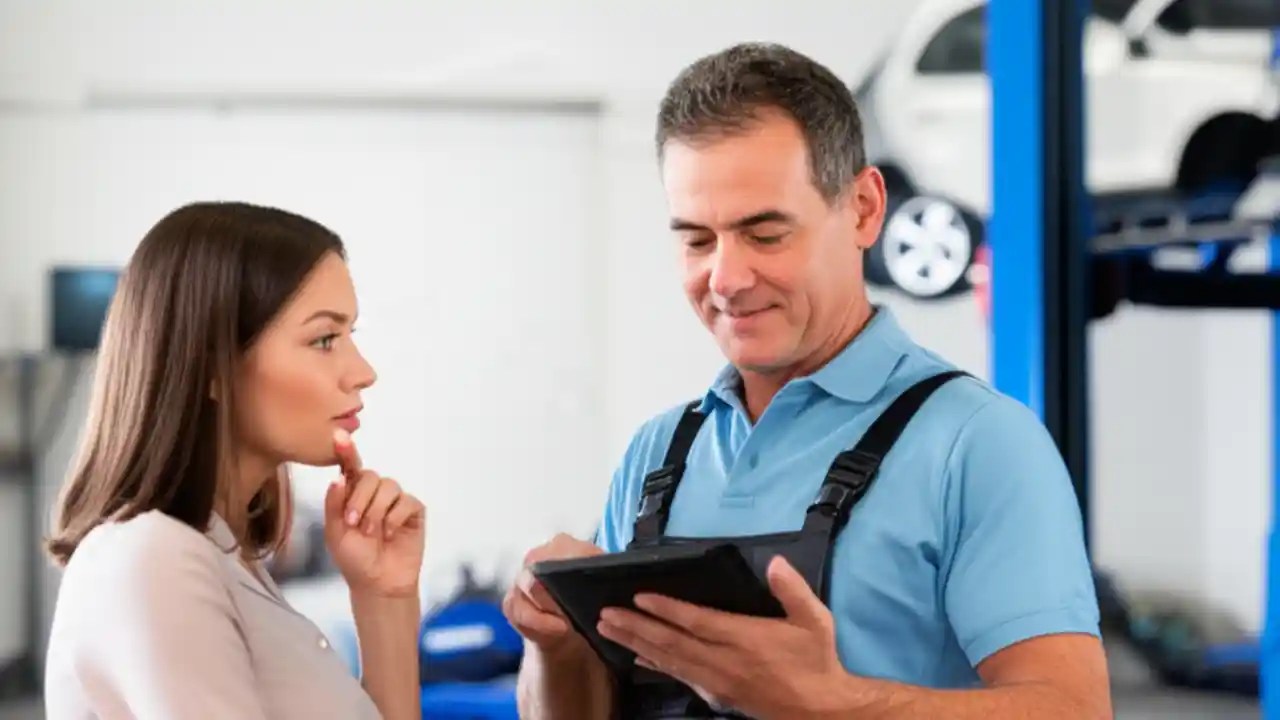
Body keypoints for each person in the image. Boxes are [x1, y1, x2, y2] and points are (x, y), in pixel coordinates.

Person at [503, 43, 1111, 719]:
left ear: (863, 209)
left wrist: (834, 704)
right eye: (697, 240)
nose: (725, 280)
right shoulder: (660, 453)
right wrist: (554, 649)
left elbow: (1074, 709)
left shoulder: (976, 443)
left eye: (764, 234)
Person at [42, 202, 427, 720]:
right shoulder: (154, 556)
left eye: (350, 336)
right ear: (212, 365)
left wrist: (387, 596)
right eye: (324, 339)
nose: (363, 372)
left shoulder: (224, 559)